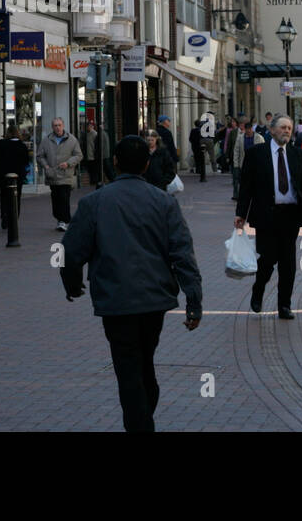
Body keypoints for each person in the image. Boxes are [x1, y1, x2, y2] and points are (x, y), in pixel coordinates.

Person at [59, 135, 202, 432]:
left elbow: (71, 251)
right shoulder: (164, 202)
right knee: (143, 359)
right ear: (147, 164)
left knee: (128, 366)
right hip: (155, 299)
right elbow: (182, 252)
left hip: (115, 299)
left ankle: (140, 424)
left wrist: (72, 282)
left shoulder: (93, 203)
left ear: (114, 162)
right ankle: (144, 413)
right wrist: (193, 299)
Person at [236, 114, 302, 319]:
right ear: (271, 130)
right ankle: (258, 290)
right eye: (282, 127)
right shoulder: (256, 154)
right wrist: (240, 214)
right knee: (267, 260)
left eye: (289, 128)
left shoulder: (296, 154)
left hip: (290, 215)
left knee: (288, 264)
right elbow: (246, 187)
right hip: (266, 215)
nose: (287, 131)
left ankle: (284, 306)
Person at [37, 117, 83, 232]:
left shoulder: (72, 140)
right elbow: (39, 156)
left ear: (63, 126)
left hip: (65, 175)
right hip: (52, 175)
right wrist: (46, 166)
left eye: (59, 125)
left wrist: (68, 163)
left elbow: (79, 155)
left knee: (64, 198)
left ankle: (64, 221)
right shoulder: (46, 140)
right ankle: (60, 219)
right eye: (55, 125)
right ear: (52, 127)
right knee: (56, 199)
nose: (57, 127)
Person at [0, 124, 31, 230]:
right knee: (17, 196)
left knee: (4, 196)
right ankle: (14, 217)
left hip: (4, 175)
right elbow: (25, 161)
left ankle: (4, 216)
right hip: (17, 176)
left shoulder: (2, 144)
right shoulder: (22, 146)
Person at [230, 119, 264, 199]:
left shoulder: (259, 137)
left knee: (255, 180)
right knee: (242, 181)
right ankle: (241, 195)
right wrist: (236, 164)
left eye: (250, 129)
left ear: (252, 128)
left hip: (256, 164)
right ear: (245, 129)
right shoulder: (240, 138)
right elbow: (236, 151)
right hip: (244, 163)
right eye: (247, 129)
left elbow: (263, 151)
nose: (249, 131)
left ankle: (255, 194)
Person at [84, 121, 110, 188]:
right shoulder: (87, 134)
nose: (88, 127)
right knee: (92, 171)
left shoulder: (95, 134)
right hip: (89, 156)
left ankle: (96, 183)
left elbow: (97, 146)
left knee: (97, 171)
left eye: (90, 126)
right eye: (87, 126)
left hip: (94, 156)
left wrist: (96, 155)